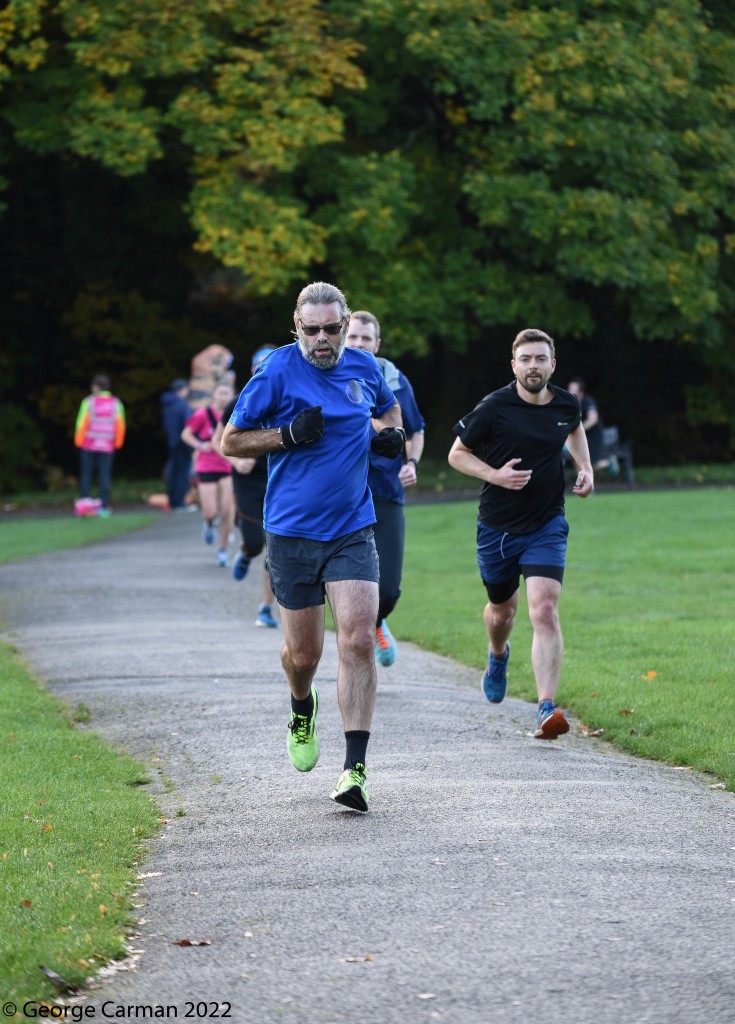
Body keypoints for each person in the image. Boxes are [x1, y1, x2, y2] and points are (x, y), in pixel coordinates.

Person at [220, 281, 404, 813]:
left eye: (331, 329)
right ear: (296, 327)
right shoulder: (276, 371)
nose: (322, 339)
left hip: (352, 527)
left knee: (359, 640)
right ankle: (302, 704)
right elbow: (230, 442)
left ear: (346, 326)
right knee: (304, 655)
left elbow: (388, 411)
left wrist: (387, 435)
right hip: (290, 532)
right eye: (312, 329)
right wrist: (286, 436)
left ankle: (355, 770)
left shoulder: (365, 368)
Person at [448, 328, 594, 739]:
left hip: (547, 524)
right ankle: (497, 654)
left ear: (552, 364)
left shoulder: (566, 403)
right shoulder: (494, 407)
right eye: (525, 359)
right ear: (514, 365)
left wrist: (585, 468)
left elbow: (574, 428)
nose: (533, 366)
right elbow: (456, 454)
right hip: (497, 528)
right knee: (502, 612)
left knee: (544, 609)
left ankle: (546, 708)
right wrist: (495, 475)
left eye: (540, 358)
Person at [344, 311, 425, 667]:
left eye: (366, 339)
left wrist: (412, 463)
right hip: (344, 495)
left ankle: (378, 620)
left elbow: (416, 430)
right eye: (353, 337)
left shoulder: (395, 381)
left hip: (388, 492)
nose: (359, 344)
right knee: (345, 586)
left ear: (377, 344)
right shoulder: (328, 377)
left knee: (388, 589)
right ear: (343, 338)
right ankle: (354, 656)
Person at [213, 345, 279, 629]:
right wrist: (236, 462)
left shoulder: (289, 400)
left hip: (280, 481)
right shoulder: (237, 402)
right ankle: (246, 551)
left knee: (275, 549)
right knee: (255, 542)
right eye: (259, 366)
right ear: (252, 370)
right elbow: (218, 442)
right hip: (248, 483)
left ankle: (265, 608)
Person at [181, 379, 235, 567]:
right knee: (211, 512)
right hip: (206, 466)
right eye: (220, 393)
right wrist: (199, 445)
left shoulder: (234, 414)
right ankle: (209, 523)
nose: (224, 397)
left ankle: (222, 551)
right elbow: (185, 434)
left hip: (228, 466)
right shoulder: (202, 414)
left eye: (227, 394)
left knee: (227, 511)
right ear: (214, 395)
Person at [74, 374, 126, 518]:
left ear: (96, 387)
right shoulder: (116, 403)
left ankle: (84, 506)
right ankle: (103, 507)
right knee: (104, 476)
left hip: (89, 443)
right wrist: (118, 443)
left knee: (86, 475)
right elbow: (120, 425)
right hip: (107, 444)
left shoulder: (88, 402)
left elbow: (81, 423)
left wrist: (79, 441)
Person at [160, 378, 195, 511]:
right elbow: (189, 424)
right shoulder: (182, 404)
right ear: (182, 390)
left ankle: (173, 502)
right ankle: (179, 503)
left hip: (171, 443)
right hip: (183, 445)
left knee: (173, 474)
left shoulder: (167, 404)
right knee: (182, 474)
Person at [566, 377, 611, 471]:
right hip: (581, 438)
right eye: (569, 389)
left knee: (587, 465)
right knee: (577, 463)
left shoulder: (587, 401)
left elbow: (593, 419)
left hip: (593, 437)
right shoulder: (570, 403)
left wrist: (578, 429)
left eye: (573, 390)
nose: (570, 392)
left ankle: (609, 462)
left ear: (580, 392)